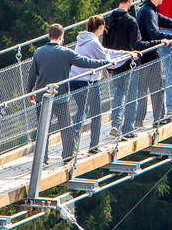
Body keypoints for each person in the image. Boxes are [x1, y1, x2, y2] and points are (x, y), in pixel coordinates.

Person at [26, 24, 119, 164]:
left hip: (42, 97)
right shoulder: (66, 53)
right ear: (61, 37)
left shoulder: (38, 52)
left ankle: (42, 159)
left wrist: (29, 91)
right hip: (61, 97)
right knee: (66, 127)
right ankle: (68, 156)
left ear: (48, 36)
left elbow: (32, 74)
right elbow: (86, 62)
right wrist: (106, 63)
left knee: (43, 130)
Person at [68, 15, 129, 155]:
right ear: (100, 27)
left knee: (82, 110)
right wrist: (127, 58)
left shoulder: (82, 41)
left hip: (75, 80)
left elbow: (105, 52)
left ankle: (73, 142)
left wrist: (126, 53)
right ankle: (93, 146)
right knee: (96, 113)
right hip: (90, 82)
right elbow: (108, 61)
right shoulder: (94, 43)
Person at [103, 0, 160, 137]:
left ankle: (115, 124)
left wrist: (108, 64)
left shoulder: (108, 20)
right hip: (129, 63)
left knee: (118, 93)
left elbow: (105, 45)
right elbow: (137, 45)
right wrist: (159, 42)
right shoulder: (131, 21)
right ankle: (128, 128)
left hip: (114, 64)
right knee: (131, 96)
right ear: (130, 0)